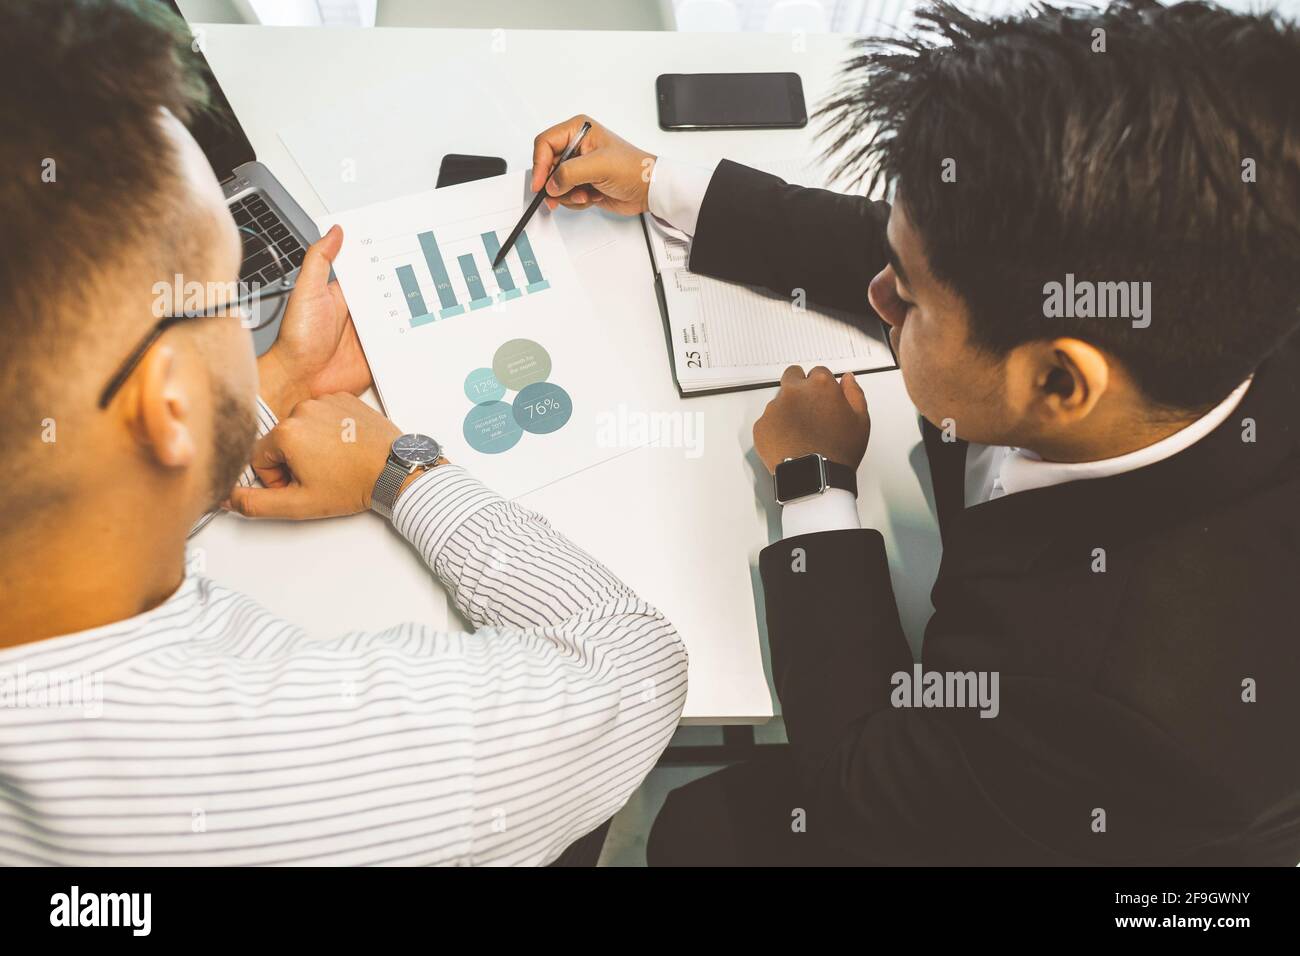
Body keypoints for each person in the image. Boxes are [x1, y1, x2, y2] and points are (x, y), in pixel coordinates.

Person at [526, 0, 1300, 864]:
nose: (879, 296)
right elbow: (947, 256)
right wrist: (661, 183)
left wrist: (814, 479)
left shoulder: (1125, 699)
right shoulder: (1214, 270)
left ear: (1059, 382)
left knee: (703, 832)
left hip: (1046, 828)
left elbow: (858, 783)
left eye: (911, 301)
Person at [0, 0, 687, 866]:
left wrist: (275, 380)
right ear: (166, 407)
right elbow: (633, 660)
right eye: (227, 291)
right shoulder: (332, 765)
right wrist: (403, 469)